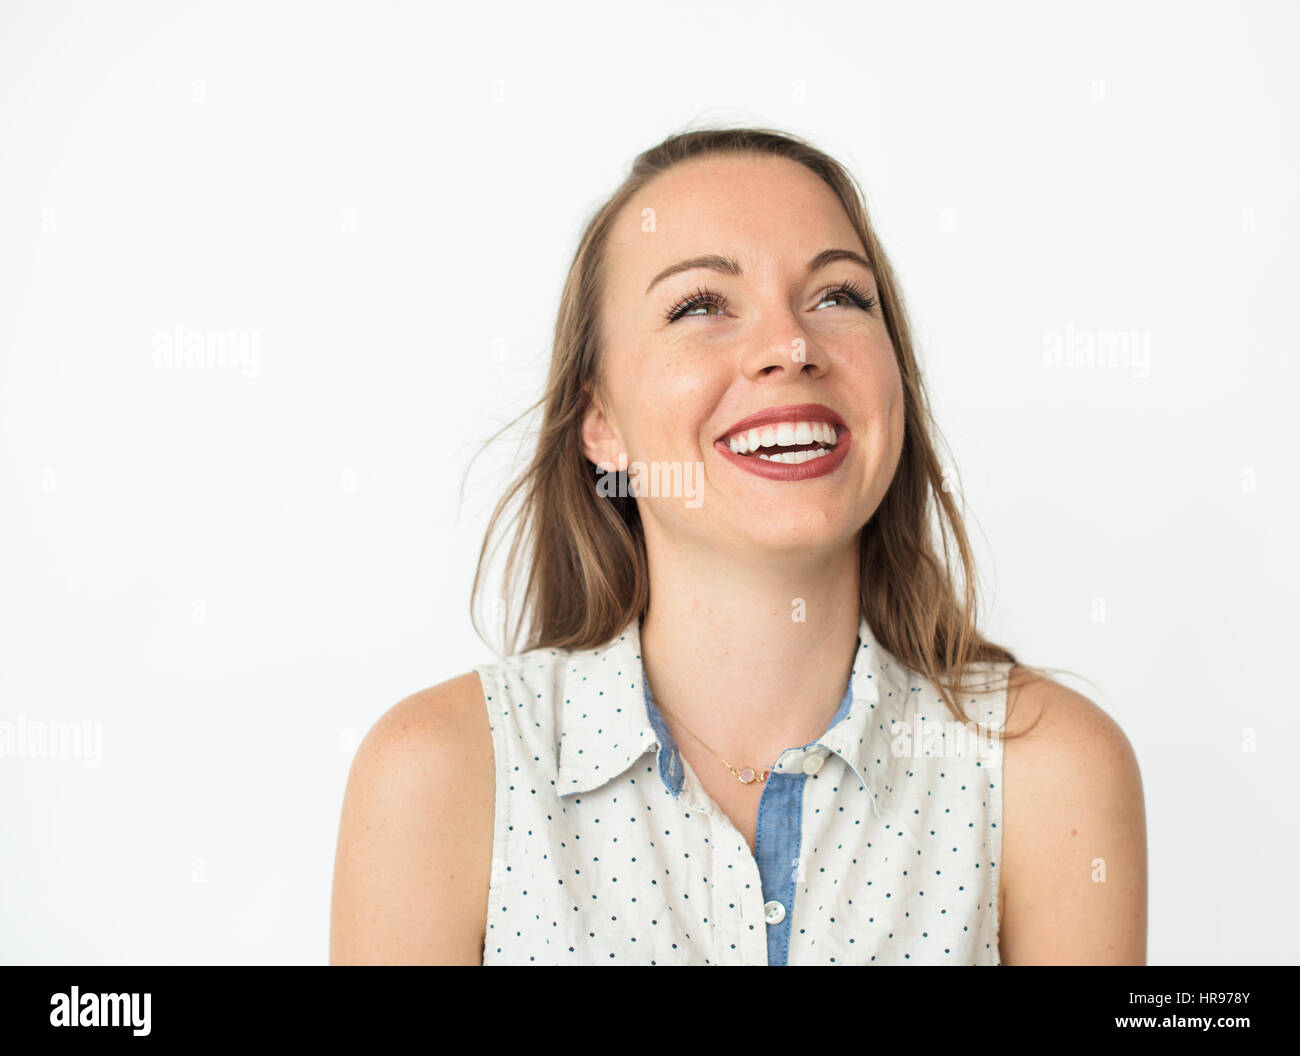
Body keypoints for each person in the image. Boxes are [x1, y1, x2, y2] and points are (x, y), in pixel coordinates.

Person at [329, 126, 1147, 965]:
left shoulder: (1047, 773)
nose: (792, 346)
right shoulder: (439, 777)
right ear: (601, 424)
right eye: (700, 307)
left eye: (839, 297)